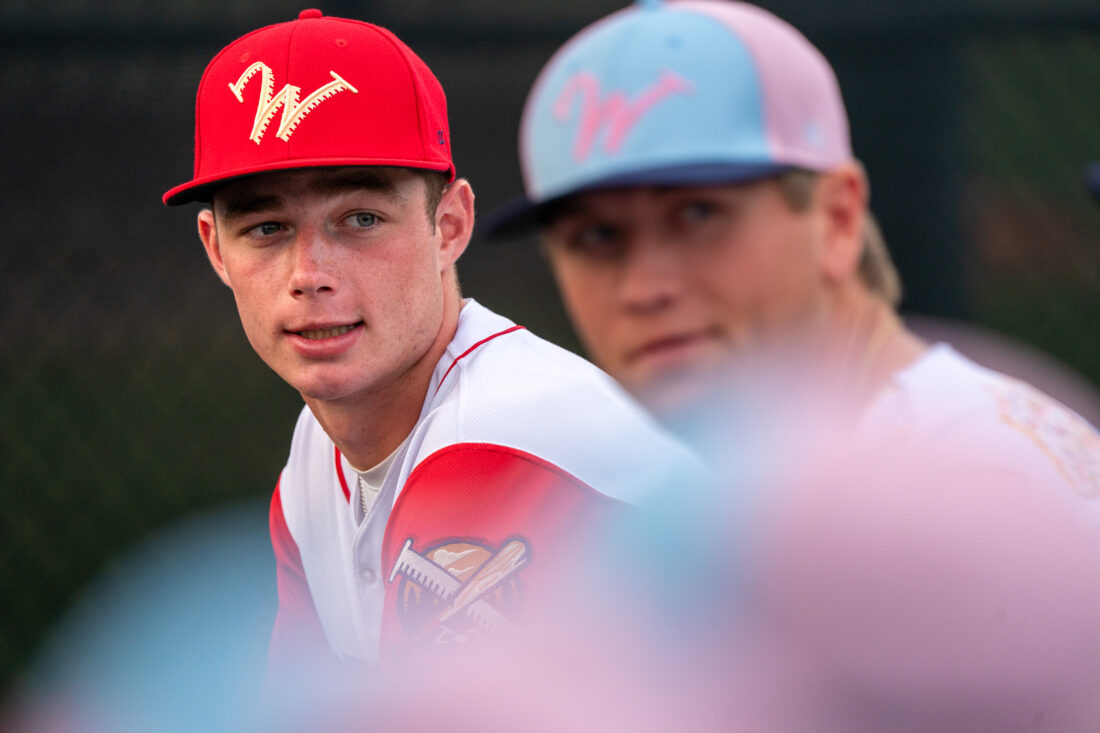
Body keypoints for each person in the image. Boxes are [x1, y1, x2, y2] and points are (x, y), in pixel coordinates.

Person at [486, 1, 1100, 729]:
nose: (645, 286)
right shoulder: (780, 482)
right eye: (596, 237)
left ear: (838, 218)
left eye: (697, 215)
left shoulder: (974, 483)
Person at [162, 9, 700, 668]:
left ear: (449, 226)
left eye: (360, 218)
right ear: (217, 251)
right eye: (267, 228)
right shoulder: (314, 456)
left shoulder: (495, 438)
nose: (308, 274)